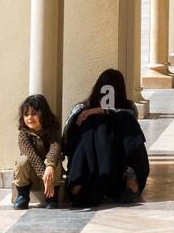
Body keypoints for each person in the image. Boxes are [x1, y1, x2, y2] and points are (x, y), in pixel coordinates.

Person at [62, 68, 150, 208]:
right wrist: (93, 117)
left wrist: (102, 111)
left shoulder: (128, 107)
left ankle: (131, 181)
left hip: (119, 167)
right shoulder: (82, 108)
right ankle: (78, 182)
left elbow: (131, 124)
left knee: (125, 120)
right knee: (92, 125)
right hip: (92, 164)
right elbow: (67, 137)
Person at [12, 94, 63, 209]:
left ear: (43, 114)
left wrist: (50, 167)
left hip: (51, 175)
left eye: (34, 113)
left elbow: (55, 148)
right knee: (22, 161)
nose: (29, 117)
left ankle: (52, 196)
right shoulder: (23, 134)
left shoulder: (52, 130)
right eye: (26, 114)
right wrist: (46, 179)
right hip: (33, 176)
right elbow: (32, 157)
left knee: (55, 159)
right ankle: (23, 195)